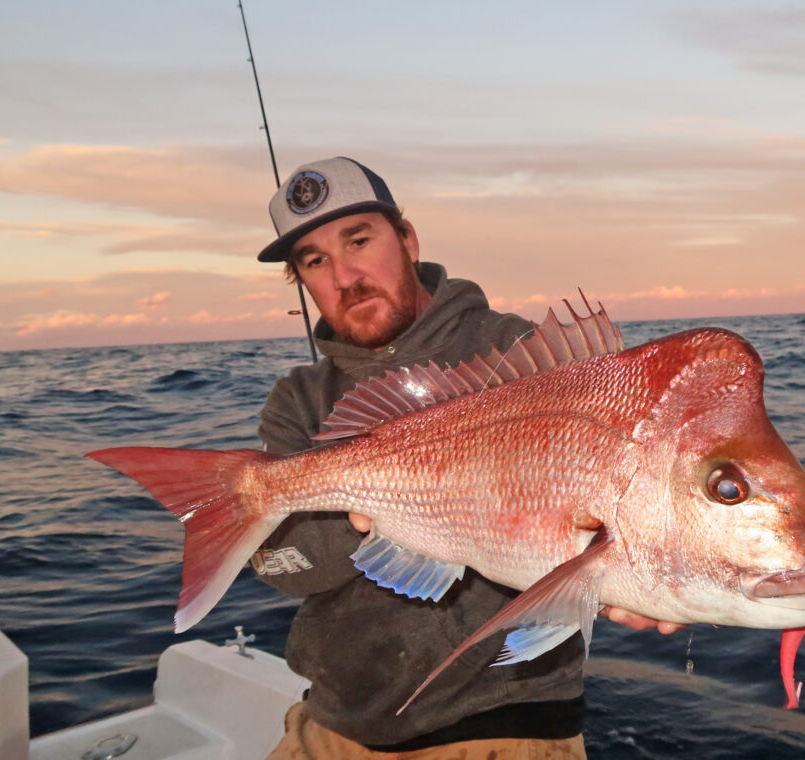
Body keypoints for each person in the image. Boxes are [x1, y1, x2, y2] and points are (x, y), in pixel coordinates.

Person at [253, 157, 681, 759]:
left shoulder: (519, 354)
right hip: (333, 725)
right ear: (302, 281)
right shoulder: (298, 399)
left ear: (406, 239)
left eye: (359, 240)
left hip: (506, 728)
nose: (345, 275)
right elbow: (281, 569)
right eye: (315, 260)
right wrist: (377, 499)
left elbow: (621, 485)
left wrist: (642, 570)